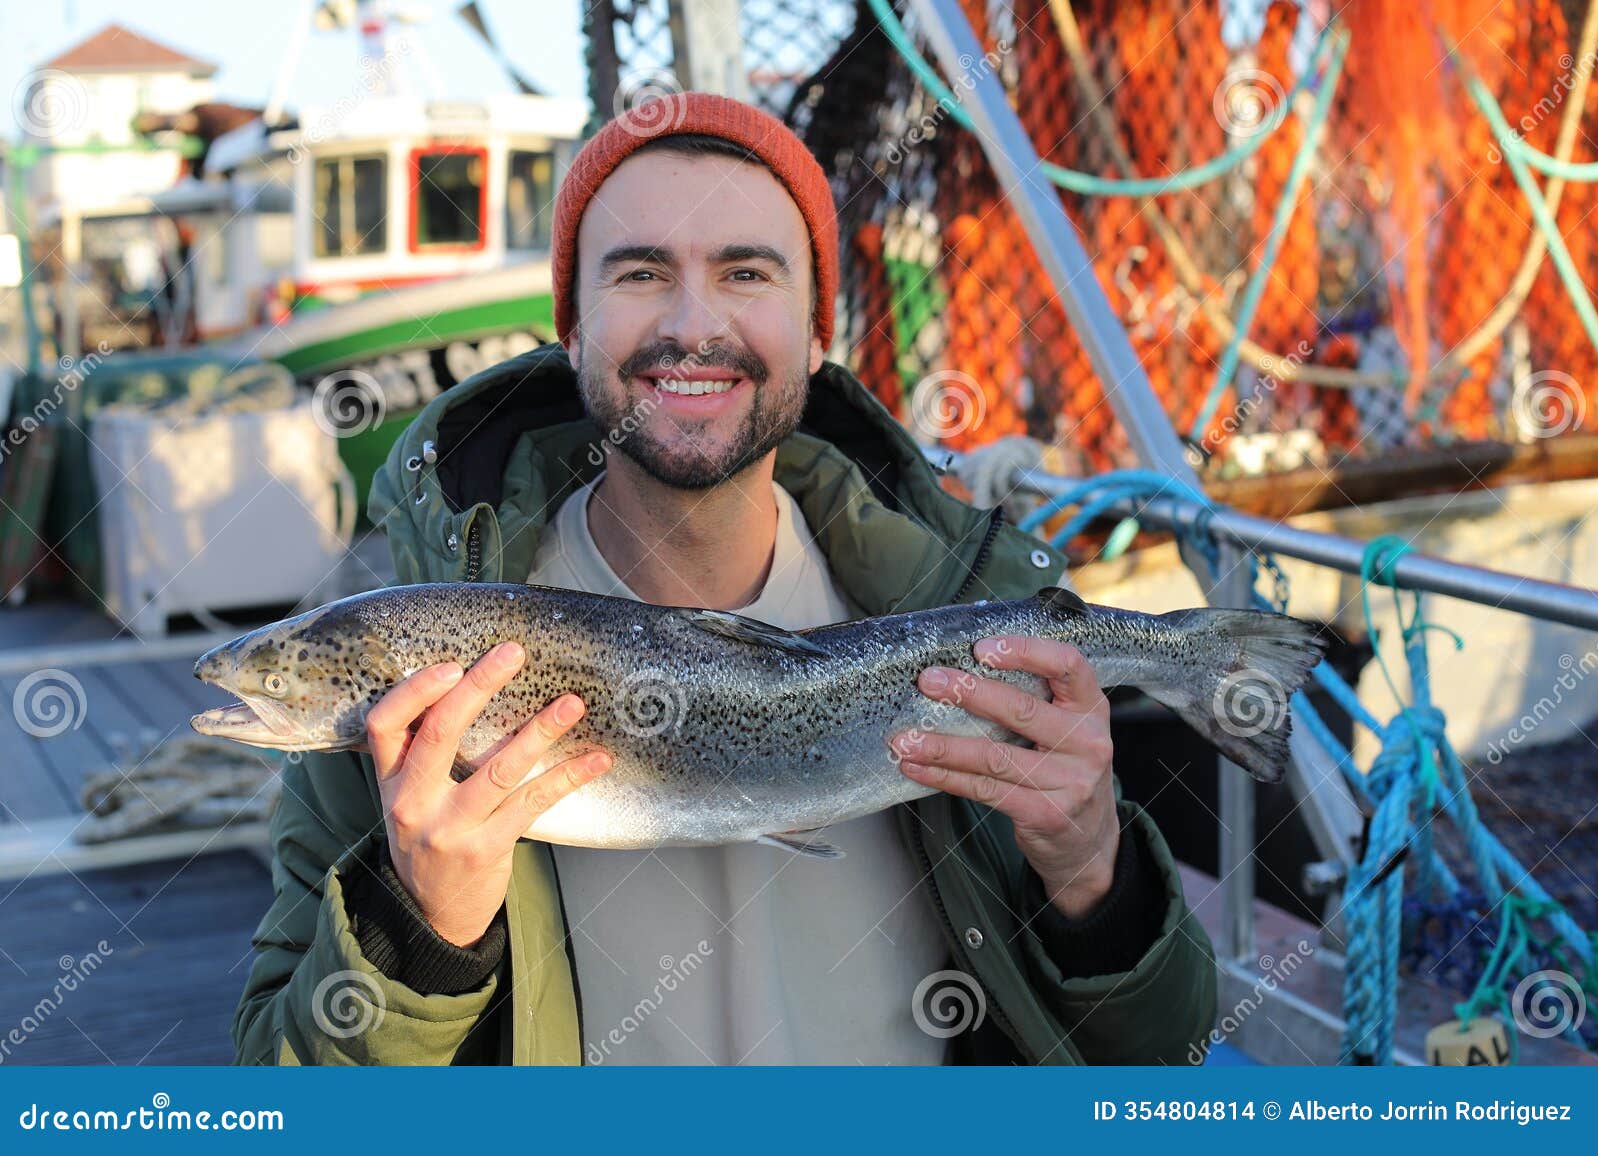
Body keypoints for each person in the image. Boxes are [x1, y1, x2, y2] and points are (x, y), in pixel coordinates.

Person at [232, 92, 1216, 1066]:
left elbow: (1160, 1056)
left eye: (745, 271)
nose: (693, 323)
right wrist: (420, 933)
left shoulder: (963, 625)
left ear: (817, 333)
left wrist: (1095, 881)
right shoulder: (410, 703)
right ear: (569, 330)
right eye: (641, 271)